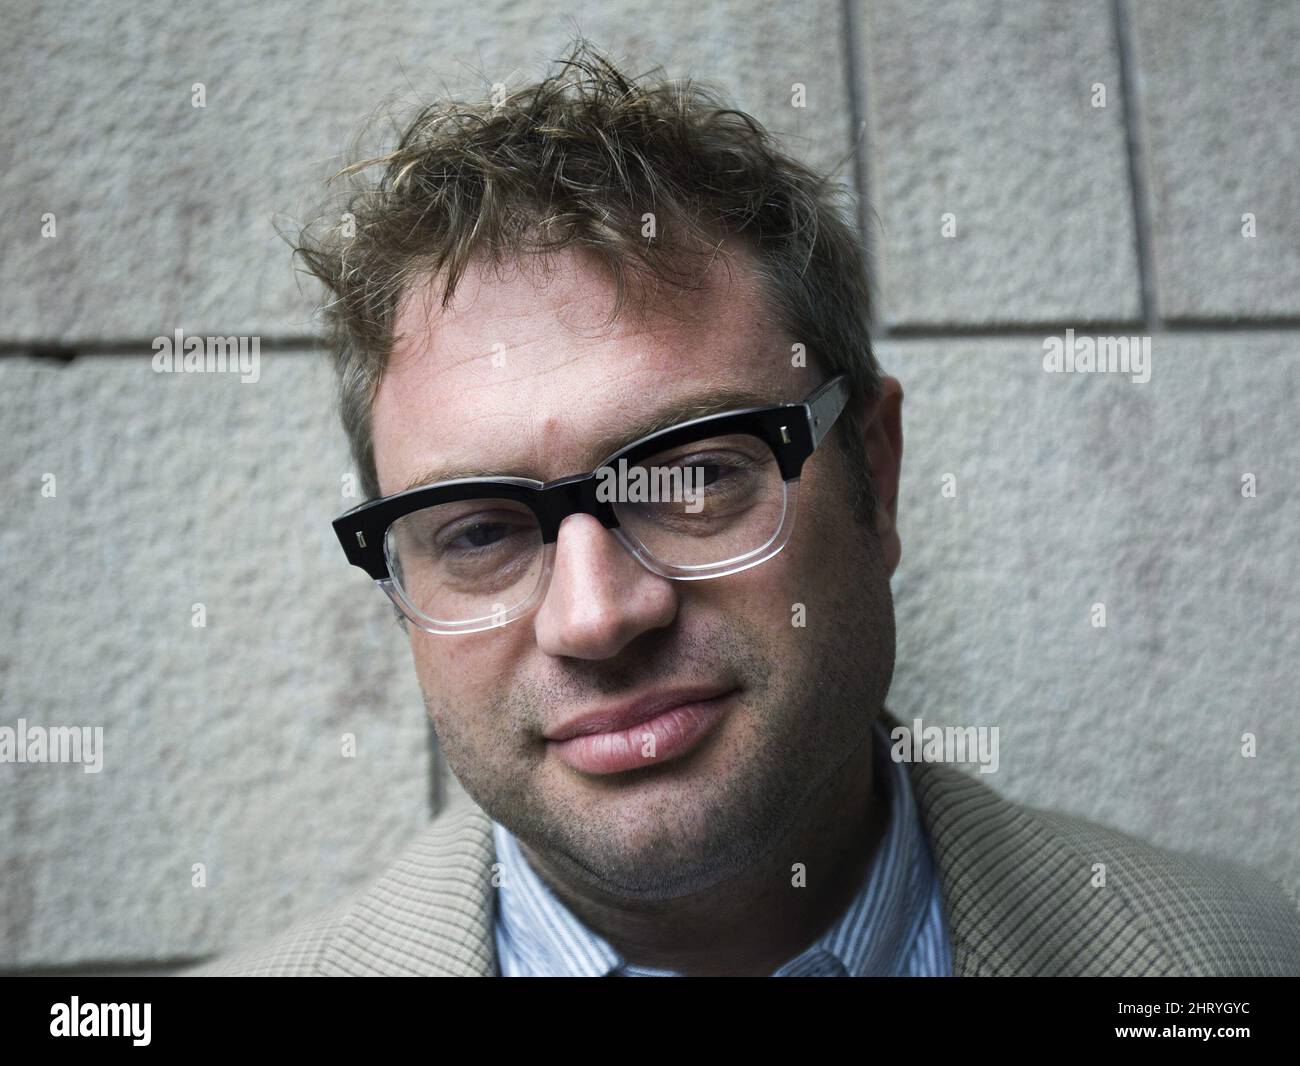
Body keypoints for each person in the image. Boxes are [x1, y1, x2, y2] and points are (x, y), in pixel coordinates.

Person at [182, 38, 1300, 977]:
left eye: (691, 475)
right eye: (477, 530)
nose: (595, 616)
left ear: (876, 469)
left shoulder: (1236, 962)